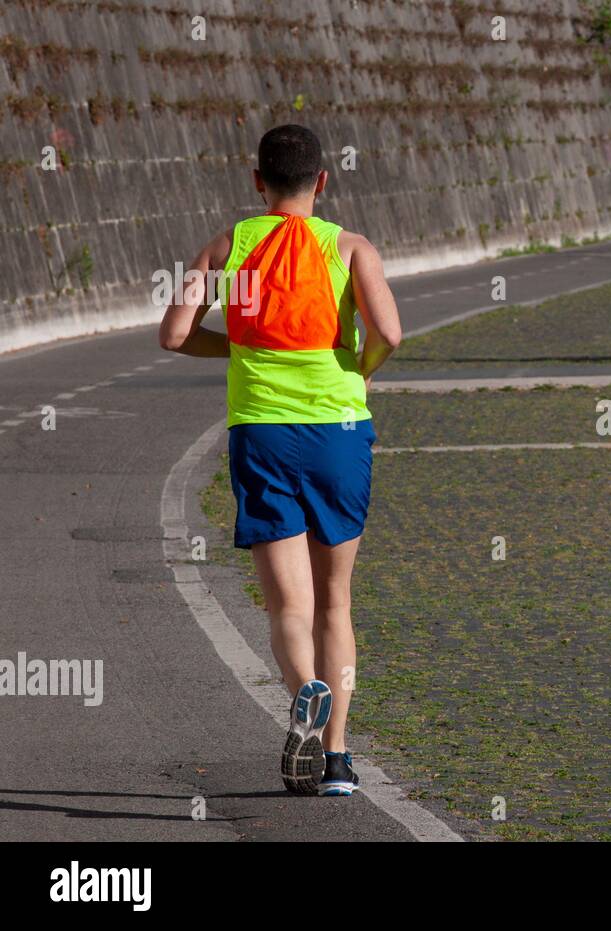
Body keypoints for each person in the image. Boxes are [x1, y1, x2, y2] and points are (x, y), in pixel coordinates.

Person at [158, 124, 403, 796]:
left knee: (286, 606)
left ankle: (305, 693)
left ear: (256, 181)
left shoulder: (228, 246)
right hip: (339, 432)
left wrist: (238, 351)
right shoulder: (351, 248)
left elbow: (174, 333)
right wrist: (361, 368)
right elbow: (389, 332)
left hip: (262, 433)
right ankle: (340, 760)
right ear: (322, 181)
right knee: (336, 601)